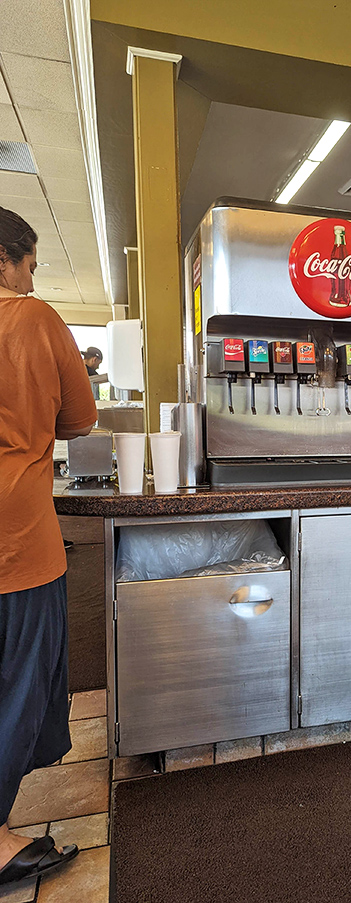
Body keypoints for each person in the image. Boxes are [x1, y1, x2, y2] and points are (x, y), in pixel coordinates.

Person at [0, 207, 97, 887]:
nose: (32, 278)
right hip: (18, 538)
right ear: (7, 258)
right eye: (29, 264)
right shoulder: (32, 318)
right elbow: (82, 418)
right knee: (17, 689)